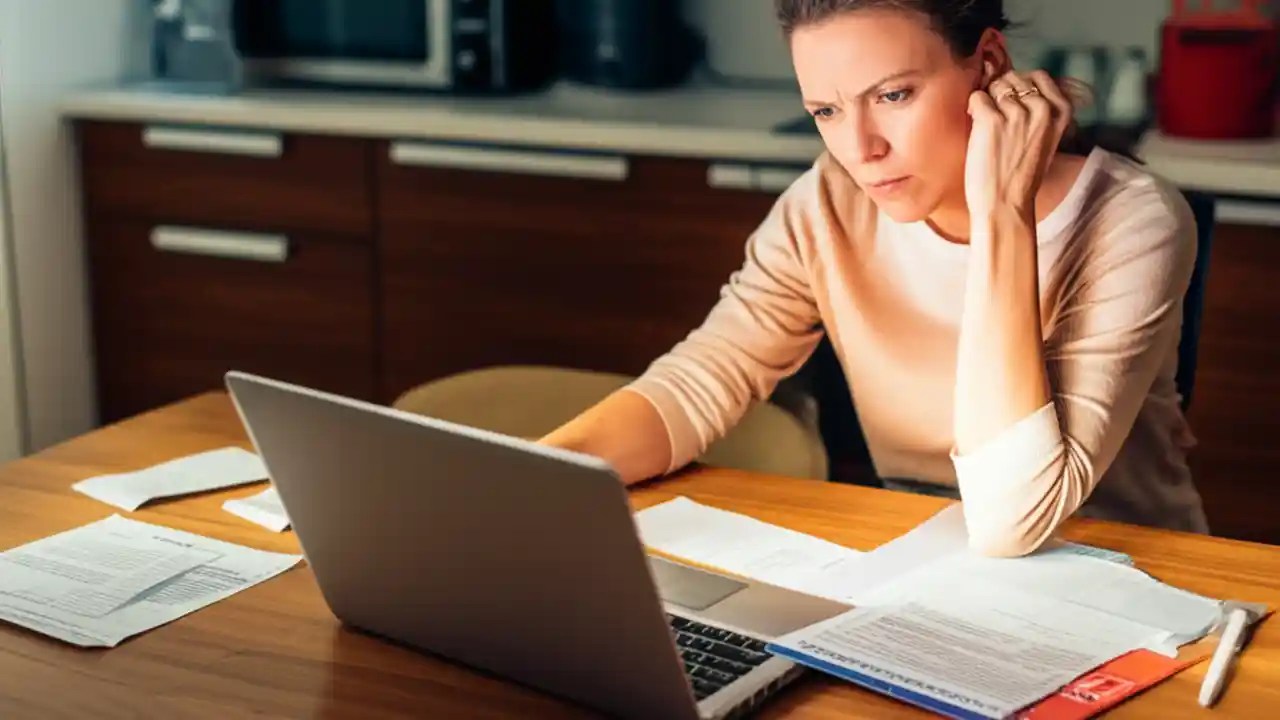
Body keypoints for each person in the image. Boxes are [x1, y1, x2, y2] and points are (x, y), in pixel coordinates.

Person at [540, 0, 1208, 557]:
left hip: (1132, 583)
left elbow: (1014, 519)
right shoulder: (829, 204)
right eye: (826, 111)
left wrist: (1002, 212)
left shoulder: (1132, 220)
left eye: (893, 95)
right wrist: (527, 479)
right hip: (930, 569)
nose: (861, 149)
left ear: (990, 65)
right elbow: (695, 387)